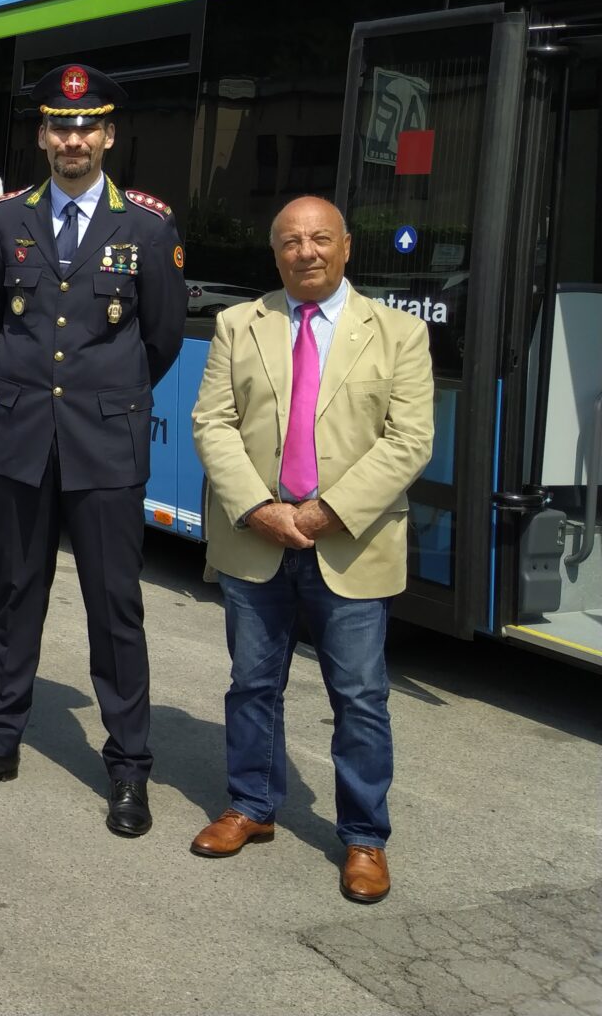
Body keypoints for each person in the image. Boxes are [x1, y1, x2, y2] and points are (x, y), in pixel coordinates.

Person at [0, 63, 185, 838]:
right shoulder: (8, 220)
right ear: (43, 136)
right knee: (15, 596)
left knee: (114, 609)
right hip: (20, 442)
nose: (72, 139)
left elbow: (161, 340)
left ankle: (128, 769)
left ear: (109, 135)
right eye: (59, 126)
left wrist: (96, 394)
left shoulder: (146, 227)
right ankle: (0, 740)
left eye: (87, 126)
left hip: (104, 449)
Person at [190, 196, 433, 903]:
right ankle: (252, 806)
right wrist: (258, 508)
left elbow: (409, 440)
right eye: (291, 241)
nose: (307, 251)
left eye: (320, 238)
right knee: (252, 684)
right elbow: (212, 423)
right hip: (255, 538)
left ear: (346, 247)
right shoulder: (240, 323)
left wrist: (329, 511)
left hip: (349, 544)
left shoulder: (398, 333)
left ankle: (364, 838)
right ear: (276, 253)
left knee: (359, 697)